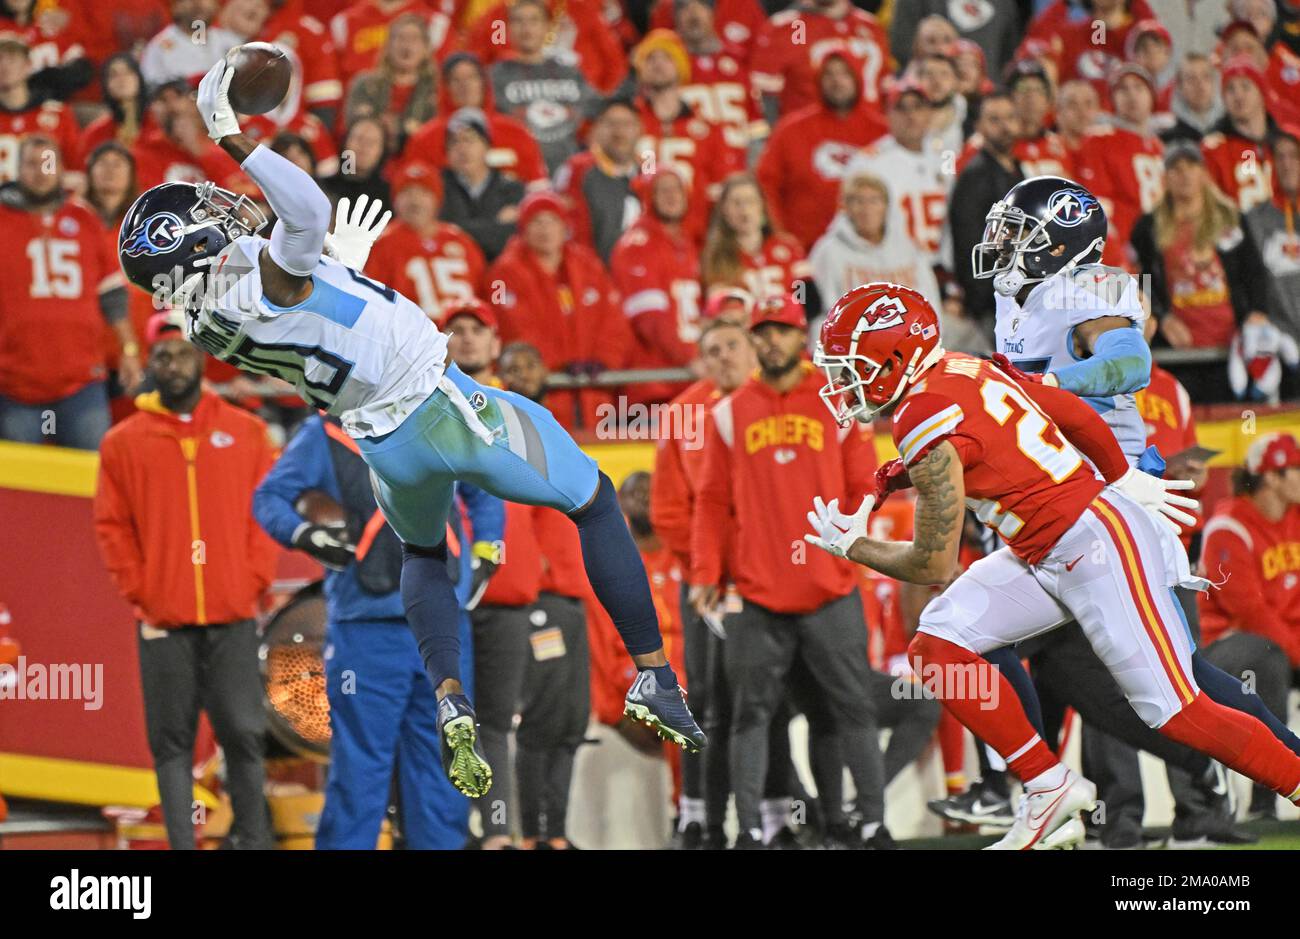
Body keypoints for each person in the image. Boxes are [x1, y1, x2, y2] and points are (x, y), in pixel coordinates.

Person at [118, 57, 704, 800]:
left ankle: (451, 693)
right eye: (206, 211)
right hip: (438, 403)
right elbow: (303, 213)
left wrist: (344, 271)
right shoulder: (252, 277)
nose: (223, 207)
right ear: (189, 244)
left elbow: (309, 297)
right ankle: (655, 674)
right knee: (593, 498)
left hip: (382, 443)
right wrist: (233, 136)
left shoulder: (205, 318)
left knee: (424, 550)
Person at [806, 281, 1300, 850]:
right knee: (937, 643)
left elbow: (933, 564)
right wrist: (1120, 476)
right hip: (1049, 547)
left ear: (894, 358)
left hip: (1093, 546)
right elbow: (1069, 411)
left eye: (852, 366)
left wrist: (855, 546)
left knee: (1177, 711)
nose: (842, 383)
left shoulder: (921, 416)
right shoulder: (963, 368)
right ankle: (1046, 784)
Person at [689, 294, 890, 849]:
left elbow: (864, 487)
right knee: (749, 716)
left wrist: (859, 553)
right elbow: (710, 502)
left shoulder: (838, 401)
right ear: (754, 340)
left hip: (831, 587)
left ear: (801, 337)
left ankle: (866, 824)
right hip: (757, 595)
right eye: (763, 332)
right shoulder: (728, 413)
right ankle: (749, 831)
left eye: (781, 330)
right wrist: (708, 571)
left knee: (847, 710)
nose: (772, 341)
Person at [254, 408, 502, 849]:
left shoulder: (440, 416)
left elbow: (487, 484)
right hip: (367, 630)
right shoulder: (328, 431)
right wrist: (304, 534)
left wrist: (487, 548)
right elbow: (269, 497)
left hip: (438, 625)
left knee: (447, 768)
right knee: (359, 775)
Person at [93, 312, 278, 850]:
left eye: (181, 353)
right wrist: (143, 593)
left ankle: (255, 840)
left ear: (202, 358)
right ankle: (181, 844)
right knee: (171, 744)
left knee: (244, 733)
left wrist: (252, 580)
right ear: (149, 364)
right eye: (162, 356)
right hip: (164, 619)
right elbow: (111, 527)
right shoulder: (123, 441)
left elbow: (263, 514)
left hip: (233, 614)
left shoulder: (246, 431)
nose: (172, 365)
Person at [651, 308, 756, 848]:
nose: (722, 358)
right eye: (712, 350)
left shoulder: (774, 404)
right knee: (706, 702)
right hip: (705, 587)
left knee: (762, 704)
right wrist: (703, 571)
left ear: (753, 349)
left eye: (732, 346)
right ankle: (701, 818)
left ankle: (771, 820)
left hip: (764, 582)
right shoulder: (682, 413)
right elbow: (669, 507)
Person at [0, 136, 139, 449]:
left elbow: (112, 295)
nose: (41, 171)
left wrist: (128, 351)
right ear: (16, 169)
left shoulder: (84, 219)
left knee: (89, 483)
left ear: (62, 169)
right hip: (14, 382)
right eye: (31, 164)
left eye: (48, 163)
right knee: (20, 488)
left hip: (82, 382)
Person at [1198, 432, 1300, 820]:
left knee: (1274, 652)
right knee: (1266, 656)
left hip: (1287, 641)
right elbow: (1250, 612)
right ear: (1272, 477)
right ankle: (1265, 800)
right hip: (1228, 647)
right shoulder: (1229, 526)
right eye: (1295, 468)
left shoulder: (1295, 517)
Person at [485, 189, 629, 430]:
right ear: (523, 228)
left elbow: (614, 321)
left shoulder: (588, 265)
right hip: (541, 392)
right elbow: (512, 327)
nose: (545, 229)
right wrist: (556, 365)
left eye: (552, 221)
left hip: (594, 392)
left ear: (564, 227)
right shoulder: (504, 273)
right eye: (537, 222)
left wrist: (605, 361)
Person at [755, 43, 887, 252]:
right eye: (829, 74)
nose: (837, 81)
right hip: (804, 249)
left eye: (845, 73)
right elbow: (766, 182)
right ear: (818, 81)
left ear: (858, 78)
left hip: (869, 251)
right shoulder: (791, 128)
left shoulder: (882, 132)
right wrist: (780, 235)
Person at [609, 167, 702, 405]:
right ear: (649, 197)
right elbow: (649, 320)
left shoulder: (686, 242)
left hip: (687, 376)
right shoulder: (637, 244)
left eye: (677, 189)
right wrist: (690, 360)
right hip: (655, 383)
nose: (672, 196)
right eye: (663, 190)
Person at [809, 171, 940, 324]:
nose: (867, 209)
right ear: (846, 207)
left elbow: (930, 301)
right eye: (858, 201)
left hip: (907, 338)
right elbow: (822, 313)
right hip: (851, 339)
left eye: (874, 201)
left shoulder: (908, 248)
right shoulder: (828, 251)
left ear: (886, 206)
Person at [488, 0, 601, 174]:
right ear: (509, 29)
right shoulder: (495, 76)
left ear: (547, 26)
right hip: (518, 173)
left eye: (534, 21)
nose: (527, 29)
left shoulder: (570, 72)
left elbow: (597, 113)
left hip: (568, 170)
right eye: (519, 21)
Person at [846, 80, 950, 267]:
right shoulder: (868, 162)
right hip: (893, 267)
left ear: (929, 113)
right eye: (901, 108)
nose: (911, 116)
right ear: (888, 114)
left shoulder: (945, 156)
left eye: (918, 107)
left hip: (942, 267)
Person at [366, 159, 486, 318]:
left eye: (423, 192)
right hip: (408, 337)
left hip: (460, 334)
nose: (415, 201)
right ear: (395, 200)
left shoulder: (461, 241)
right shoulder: (382, 244)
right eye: (407, 192)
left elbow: (483, 292)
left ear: (437, 199)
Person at [946, 92, 1022, 335]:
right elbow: (968, 243)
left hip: (1019, 294)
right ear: (978, 126)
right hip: (993, 302)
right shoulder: (975, 176)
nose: (1005, 127)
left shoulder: (1017, 169)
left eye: (1010, 118)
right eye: (994, 120)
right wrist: (981, 300)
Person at [750, 0, 889, 119]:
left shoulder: (872, 27)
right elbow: (763, 96)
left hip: (870, 138)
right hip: (808, 138)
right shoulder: (789, 27)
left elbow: (886, 91)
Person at [552, 97, 643, 263]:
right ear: (597, 129)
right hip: (594, 273)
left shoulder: (647, 170)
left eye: (627, 124)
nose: (619, 132)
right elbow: (572, 233)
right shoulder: (577, 169)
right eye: (611, 123)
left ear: (639, 129)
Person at [436, 107, 525, 262]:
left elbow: (511, 241)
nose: (462, 148)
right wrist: (494, 225)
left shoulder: (511, 189)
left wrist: (457, 229)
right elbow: (437, 238)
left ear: (486, 146)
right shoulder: (436, 187)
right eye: (454, 141)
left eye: (469, 140)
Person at [343, 12, 437, 148]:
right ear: (388, 46)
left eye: (414, 39)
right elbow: (354, 123)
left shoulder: (435, 90)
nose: (407, 46)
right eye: (401, 38)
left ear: (426, 49)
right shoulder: (365, 84)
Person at [139, 0, 240, 87]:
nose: (199, 4)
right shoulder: (158, 48)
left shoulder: (231, 42)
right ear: (175, 7)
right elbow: (153, 93)